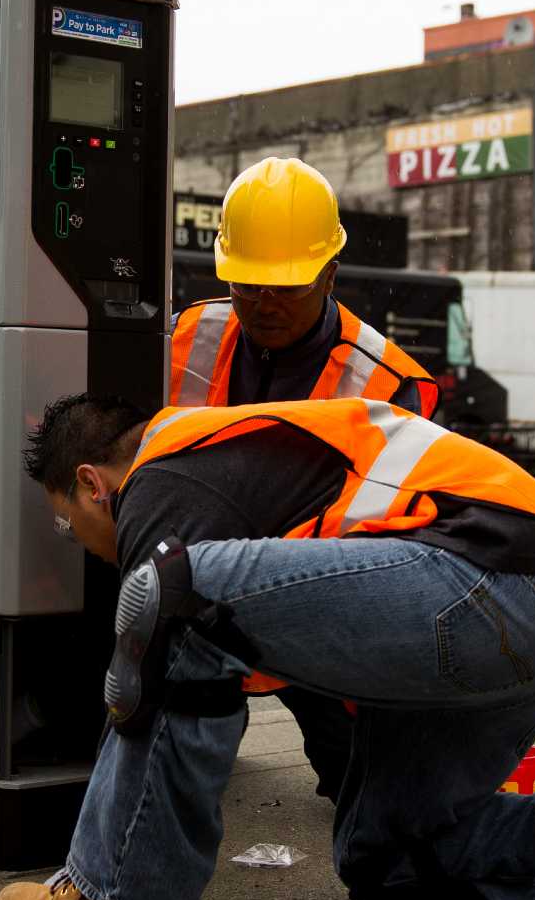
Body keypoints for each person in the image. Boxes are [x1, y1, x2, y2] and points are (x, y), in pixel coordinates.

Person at [0, 393, 535, 900]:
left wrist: (101, 856)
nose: (79, 541)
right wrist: (360, 784)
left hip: (488, 583)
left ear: (92, 483)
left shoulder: (161, 474)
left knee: (170, 592)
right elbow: (320, 656)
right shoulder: (239, 463)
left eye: (66, 522)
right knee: (382, 856)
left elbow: (161, 641)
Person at [169, 155, 439, 802]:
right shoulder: (185, 336)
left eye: (286, 287)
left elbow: (393, 550)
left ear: (330, 275)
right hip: (191, 590)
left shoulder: (386, 383)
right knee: (158, 752)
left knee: (371, 795)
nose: (263, 304)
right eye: (247, 285)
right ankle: (198, 722)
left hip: (313, 608)